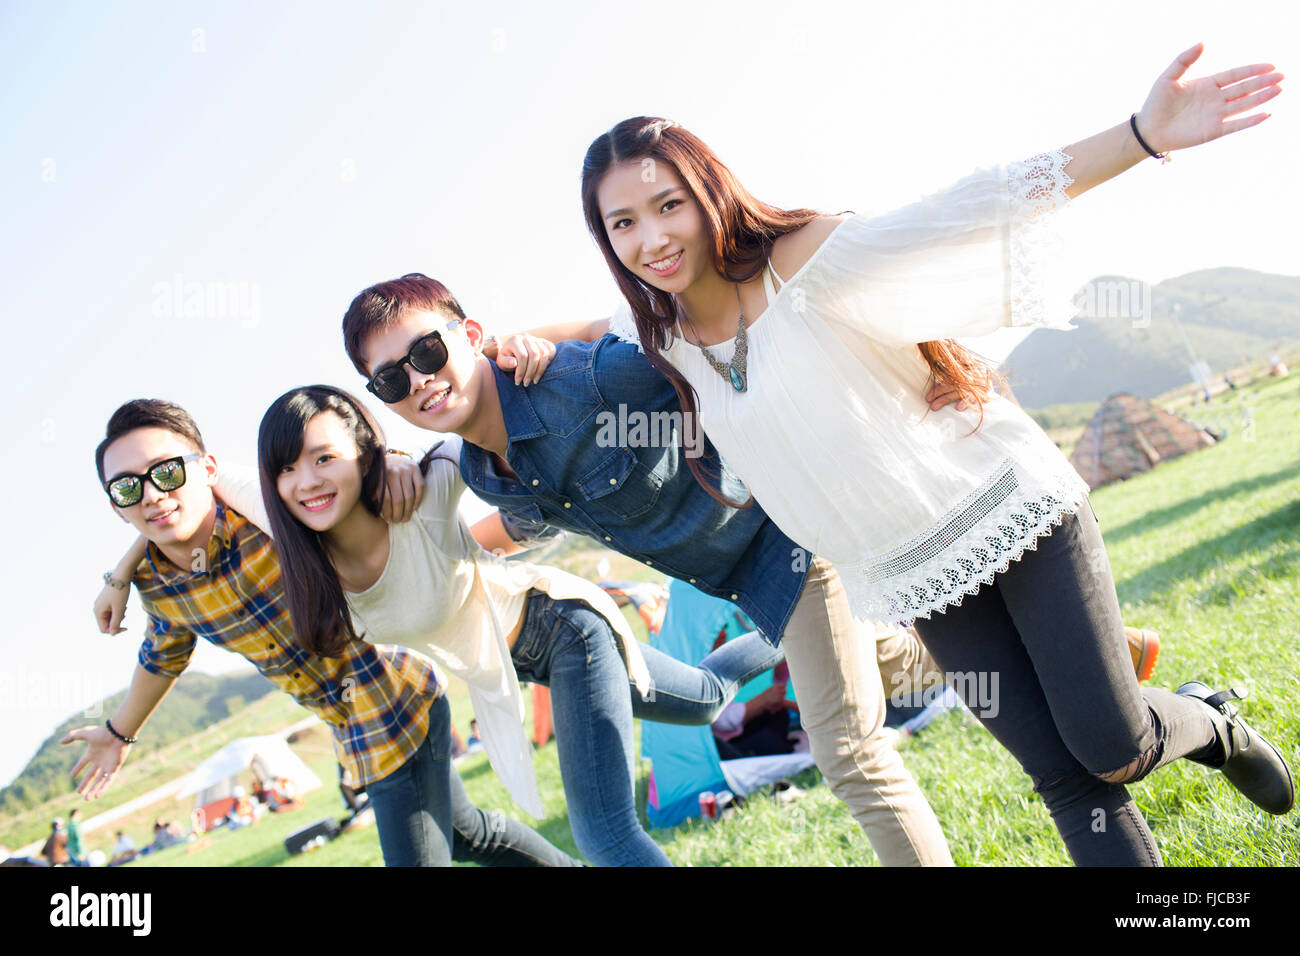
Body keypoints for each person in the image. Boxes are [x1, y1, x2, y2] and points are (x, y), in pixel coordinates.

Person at [570, 45, 1293, 865]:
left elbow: (969, 207)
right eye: (622, 222)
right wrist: (504, 350)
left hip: (1009, 506)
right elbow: (577, 333)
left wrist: (1140, 133)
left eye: (667, 205)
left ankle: (1213, 725)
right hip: (916, 570)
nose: (651, 237)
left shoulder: (802, 260)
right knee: (1063, 777)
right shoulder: (659, 338)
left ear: (707, 192)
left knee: (1111, 741)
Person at [340, 273, 957, 865]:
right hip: (749, 588)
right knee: (903, 665)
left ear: (470, 335)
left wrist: (912, 365)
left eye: (427, 350)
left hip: (790, 538)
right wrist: (394, 460)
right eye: (392, 380)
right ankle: (977, 655)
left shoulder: (582, 382)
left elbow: (690, 336)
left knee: (849, 754)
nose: (418, 380)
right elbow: (515, 527)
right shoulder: (481, 474)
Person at [248, 385, 787, 866]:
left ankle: (801, 607)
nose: (307, 481)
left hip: (564, 630)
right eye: (287, 467)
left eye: (324, 457)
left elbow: (473, 436)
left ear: (363, 457)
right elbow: (209, 479)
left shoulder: (416, 499)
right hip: (534, 662)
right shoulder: (302, 554)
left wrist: (396, 455)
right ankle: (793, 621)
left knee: (606, 837)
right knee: (708, 698)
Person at [78, 399, 579, 868]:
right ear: (114, 505)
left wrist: (395, 459)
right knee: (472, 834)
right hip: (348, 724)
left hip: (395, 698)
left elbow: (338, 480)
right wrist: (118, 732)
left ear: (205, 468)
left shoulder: (274, 516)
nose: (152, 495)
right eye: (127, 488)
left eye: (166, 473)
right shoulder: (155, 583)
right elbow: (162, 654)